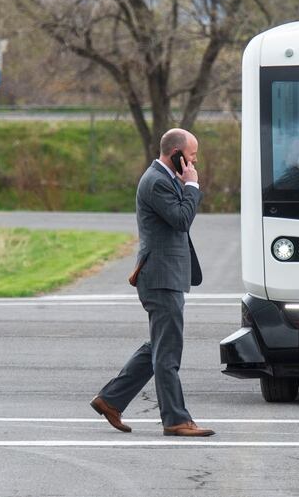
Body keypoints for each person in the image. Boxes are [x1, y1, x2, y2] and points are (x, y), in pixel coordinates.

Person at [89, 128, 215, 437]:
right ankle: (175, 419)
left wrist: (186, 184)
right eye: (192, 155)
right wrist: (193, 185)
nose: (195, 161)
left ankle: (110, 400)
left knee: (159, 346)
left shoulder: (165, 179)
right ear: (176, 153)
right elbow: (182, 219)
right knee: (167, 351)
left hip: (165, 275)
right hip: (160, 276)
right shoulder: (158, 182)